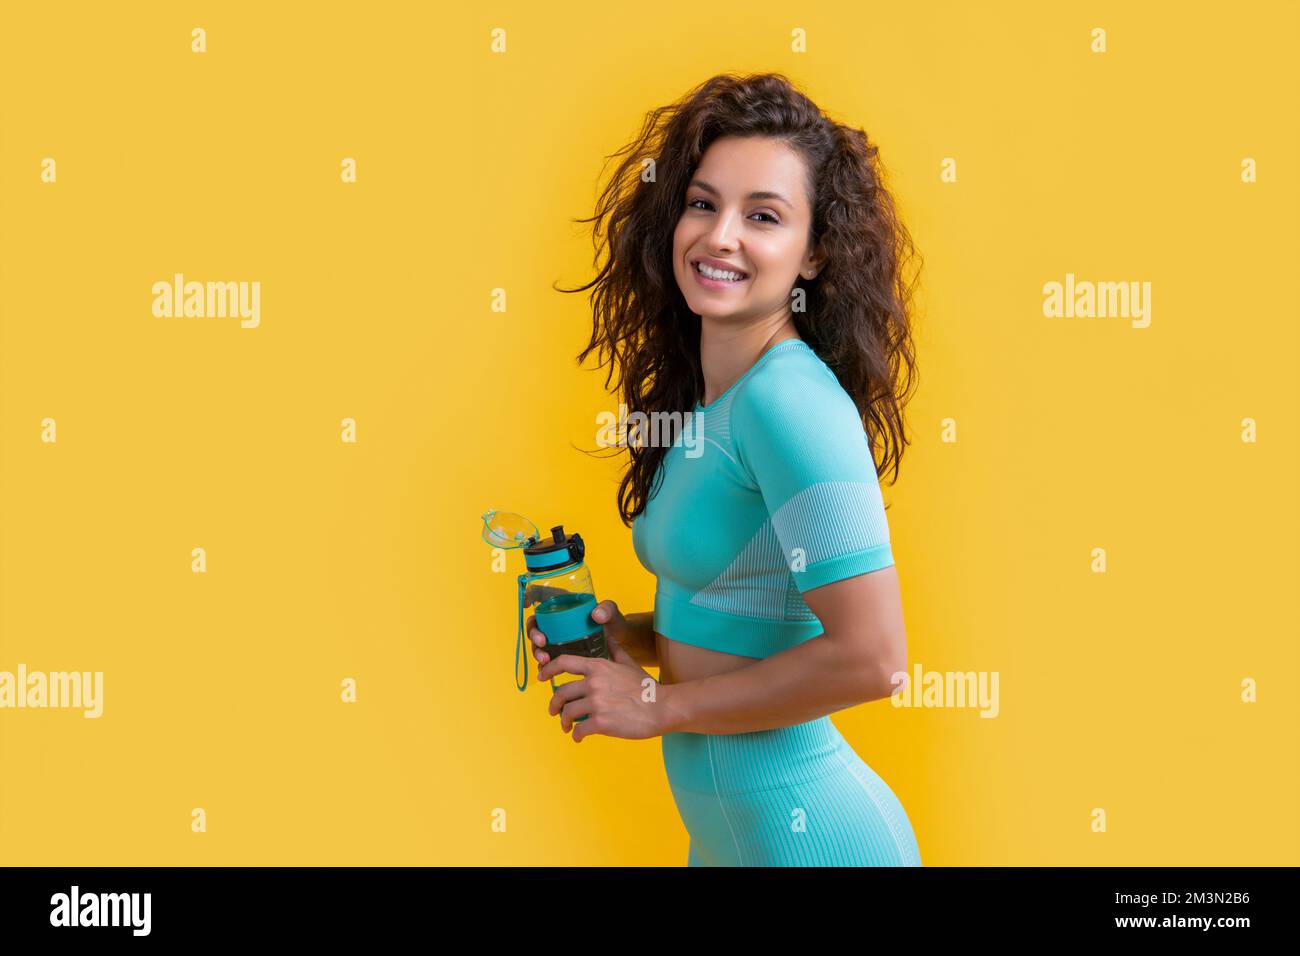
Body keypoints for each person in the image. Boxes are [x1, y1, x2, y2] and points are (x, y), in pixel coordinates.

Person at [533, 72, 923, 866]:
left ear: (814, 253)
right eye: (704, 203)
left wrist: (661, 707)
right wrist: (631, 643)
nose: (719, 237)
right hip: (731, 843)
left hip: (816, 840)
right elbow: (752, 617)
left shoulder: (790, 401)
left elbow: (875, 658)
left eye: (764, 216)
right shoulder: (716, 400)